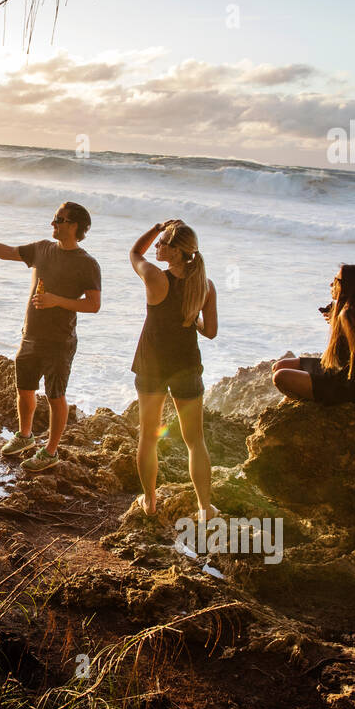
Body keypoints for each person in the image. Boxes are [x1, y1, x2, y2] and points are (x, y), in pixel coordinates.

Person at [0, 203, 101, 473]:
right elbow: (8, 253)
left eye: (59, 219)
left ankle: (51, 451)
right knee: (24, 389)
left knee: (56, 396)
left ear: (74, 227)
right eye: (54, 218)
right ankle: (25, 436)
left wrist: (55, 300)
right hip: (30, 335)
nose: (53, 223)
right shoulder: (42, 248)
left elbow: (94, 305)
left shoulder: (87, 263)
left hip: (59, 341)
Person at [128, 220, 218, 522]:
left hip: (153, 364)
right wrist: (191, 319)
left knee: (148, 437)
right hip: (186, 364)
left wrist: (153, 227)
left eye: (164, 242)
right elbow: (211, 332)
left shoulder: (155, 277)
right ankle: (205, 508)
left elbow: (134, 252)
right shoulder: (204, 285)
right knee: (195, 440)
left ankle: (150, 502)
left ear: (177, 252)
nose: (157, 246)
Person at [272, 264, 355, 410]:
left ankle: (315, 404)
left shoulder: (349, 315)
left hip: (348, 383)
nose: (331, 284)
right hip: (338, 368)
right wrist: (334, 320)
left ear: (348, 287)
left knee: (280, 376)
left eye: (336, 280)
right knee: (280, 365)